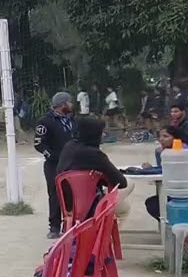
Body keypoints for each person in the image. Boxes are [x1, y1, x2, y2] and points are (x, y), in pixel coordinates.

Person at [56, 116, 128, 219]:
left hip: (67, 203)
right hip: (90, 204)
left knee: (120, 201)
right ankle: (104, 232)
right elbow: (121, 183)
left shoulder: (69, 146)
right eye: (102, 132)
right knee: (125, 203)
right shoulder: (95, 154)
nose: (104, 135)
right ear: (94, 134)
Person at [34, 91, 76, 239]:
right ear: (62, 104)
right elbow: (39, 143)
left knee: (72, 193)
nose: (71, 105)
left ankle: (71, 224)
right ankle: (54, 226)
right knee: (55, 195)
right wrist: (52, 156)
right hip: (54, 165)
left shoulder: (72, 119)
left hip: (72, 163)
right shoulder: (46, 121)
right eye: (69, 102)